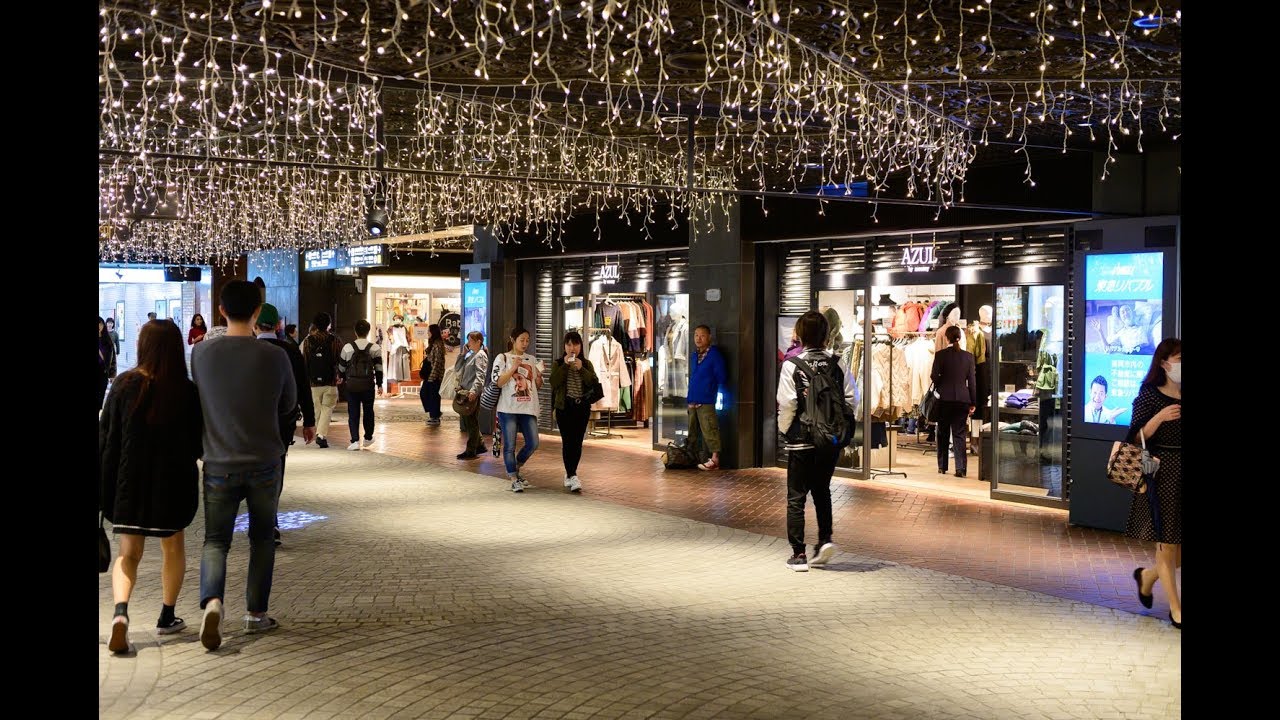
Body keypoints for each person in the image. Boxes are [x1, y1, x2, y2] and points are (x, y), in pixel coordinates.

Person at [190, 280, 296, 650]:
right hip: (265, 460)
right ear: (258, 311)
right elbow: (288, 406)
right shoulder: (276, 356)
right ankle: (255, 614)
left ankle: (213, 602)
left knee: (215, 540)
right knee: (262, 539)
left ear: (221, 311)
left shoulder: (201, 354)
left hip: (218, 462)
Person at [100, 320, 203, 653]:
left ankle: (120, 614)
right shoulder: (185, 390)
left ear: (142, 346)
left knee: (128, 555)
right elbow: (197, 443)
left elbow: (106, 439)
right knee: (173, 549)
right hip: (171, 486)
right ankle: (167, 616)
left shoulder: (123, 385)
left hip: (128, 484)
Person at [777, 310, 857, 571]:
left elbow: (787, 404)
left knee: (796, 496)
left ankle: (798, 554)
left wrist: (785, 430)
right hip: (828, 440)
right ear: (826, 335)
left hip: (801, 438)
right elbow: (851, 399)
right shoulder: (838, 363)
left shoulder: (792, 365)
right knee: (822, 490)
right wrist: (840, 426)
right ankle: (824, 540)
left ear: (801, 335)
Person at [1128, 338, 1182, 629]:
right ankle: (1176, 609)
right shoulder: (1149, 394)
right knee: (1167, 545)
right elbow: (1135, 437)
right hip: (1162, 474)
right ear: (1164, 363)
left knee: (1176, 548)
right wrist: (1160, 417)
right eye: (1179, 359)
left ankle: (1147, 577)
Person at [255, 303, 317, 547]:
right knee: (277, 465)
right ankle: (270, 518)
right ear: (278, 325)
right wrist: (309, 421)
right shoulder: (290, 350)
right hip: (283, 422)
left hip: (250, 422)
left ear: (255, 325)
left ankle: (262, 517)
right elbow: (303, 387)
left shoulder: (248, 349)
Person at [491, 327, 544, 493]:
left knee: (533, 443)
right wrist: (513, 368)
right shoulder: (503, 358)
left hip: (528, 408)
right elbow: (498, 382)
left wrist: (539, 376)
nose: (525, 343)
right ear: (513, 340)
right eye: (522, 340)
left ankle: (517, 467)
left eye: (527, 340)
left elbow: (536, 386)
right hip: (508, 408)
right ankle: (513, 478)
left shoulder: (531, 359)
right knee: (509, 445)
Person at [549, 331, 598, 493]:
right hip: (564, 408)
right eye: (569, 344)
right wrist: (565, 366)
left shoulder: (587, 364)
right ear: (564, 346)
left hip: (581, 408)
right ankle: (572, 474)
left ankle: (570, 474)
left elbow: (594, 383)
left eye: (575, 344)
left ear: (581, 346)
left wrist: (581, 369)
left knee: (577, 442)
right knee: (567, 441)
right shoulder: (558, 363)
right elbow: (554, 382)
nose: (572, 348)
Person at [930, 324, 977, 478]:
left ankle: (942, 466)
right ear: (960, 338)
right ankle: (961, 469)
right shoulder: (968, 357)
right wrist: (973, 402)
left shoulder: (940, 355)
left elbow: (934, 376)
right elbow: (972, 382)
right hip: (962, 399)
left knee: (942, 432)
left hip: (944, 399)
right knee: (959, 434)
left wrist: (941, 383)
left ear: (946, 338)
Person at [686, 324, 727, 471]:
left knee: (710, 429)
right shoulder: (694, 355)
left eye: (702, 335)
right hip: (693, 399)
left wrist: (710, 390)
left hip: (706, 400)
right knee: (693, 432)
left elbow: (721, 377)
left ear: (709, 337)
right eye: (696, 335)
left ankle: (715, 459)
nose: (698, 338)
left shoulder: (714, 355)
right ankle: (691, 457)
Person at [339, 319, 383, 451]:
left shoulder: (347, 347)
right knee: (368, 411)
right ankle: (368, 438)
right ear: (368, 332)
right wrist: (379, 384)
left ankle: (355, 441)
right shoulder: (375, 348)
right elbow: (379, 368)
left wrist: (342, 378)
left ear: (355, 331)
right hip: (368, 385)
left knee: (353, 412)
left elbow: (341, 367)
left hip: (352, 385)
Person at [301, 312, 344, 448]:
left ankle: (319, 434)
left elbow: (305, 362)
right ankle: (321, 435)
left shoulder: (308, 341)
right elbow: (341, 359)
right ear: (328, 325)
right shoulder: (335, 340)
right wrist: (340, 375)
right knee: (327, 408)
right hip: (330, 381)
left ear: (314, 324)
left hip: (313, 382)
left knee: (317, 409)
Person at [454, 331, 489, 460]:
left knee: (471, 422)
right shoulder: (471, 355)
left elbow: (480, 375)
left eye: (470, 341)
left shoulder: (480, 356)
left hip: (471, 393)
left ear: (478, 341)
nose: (468, 343)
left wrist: (474, 391)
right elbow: (457, 368)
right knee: (469, 420)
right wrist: (463, 354)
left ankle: (471, 450)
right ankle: (480, 445)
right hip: (465, 392)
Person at [421, 324, 446, 426]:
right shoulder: (433, 343)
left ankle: (435, 416)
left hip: (434, 375)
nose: (428, 333)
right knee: (427, 393)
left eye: (429, 331)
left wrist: (433, 375)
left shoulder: (438, 345)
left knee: (432, 395)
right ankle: (434, 414)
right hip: (430, 374)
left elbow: (437, 362)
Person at [99, 317, 117, 409]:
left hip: (103, 372)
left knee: (100, 396)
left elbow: (113, 359)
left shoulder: (107, 340)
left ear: (103, 326)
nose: (99, 326)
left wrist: (112, 374)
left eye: (100, 324)